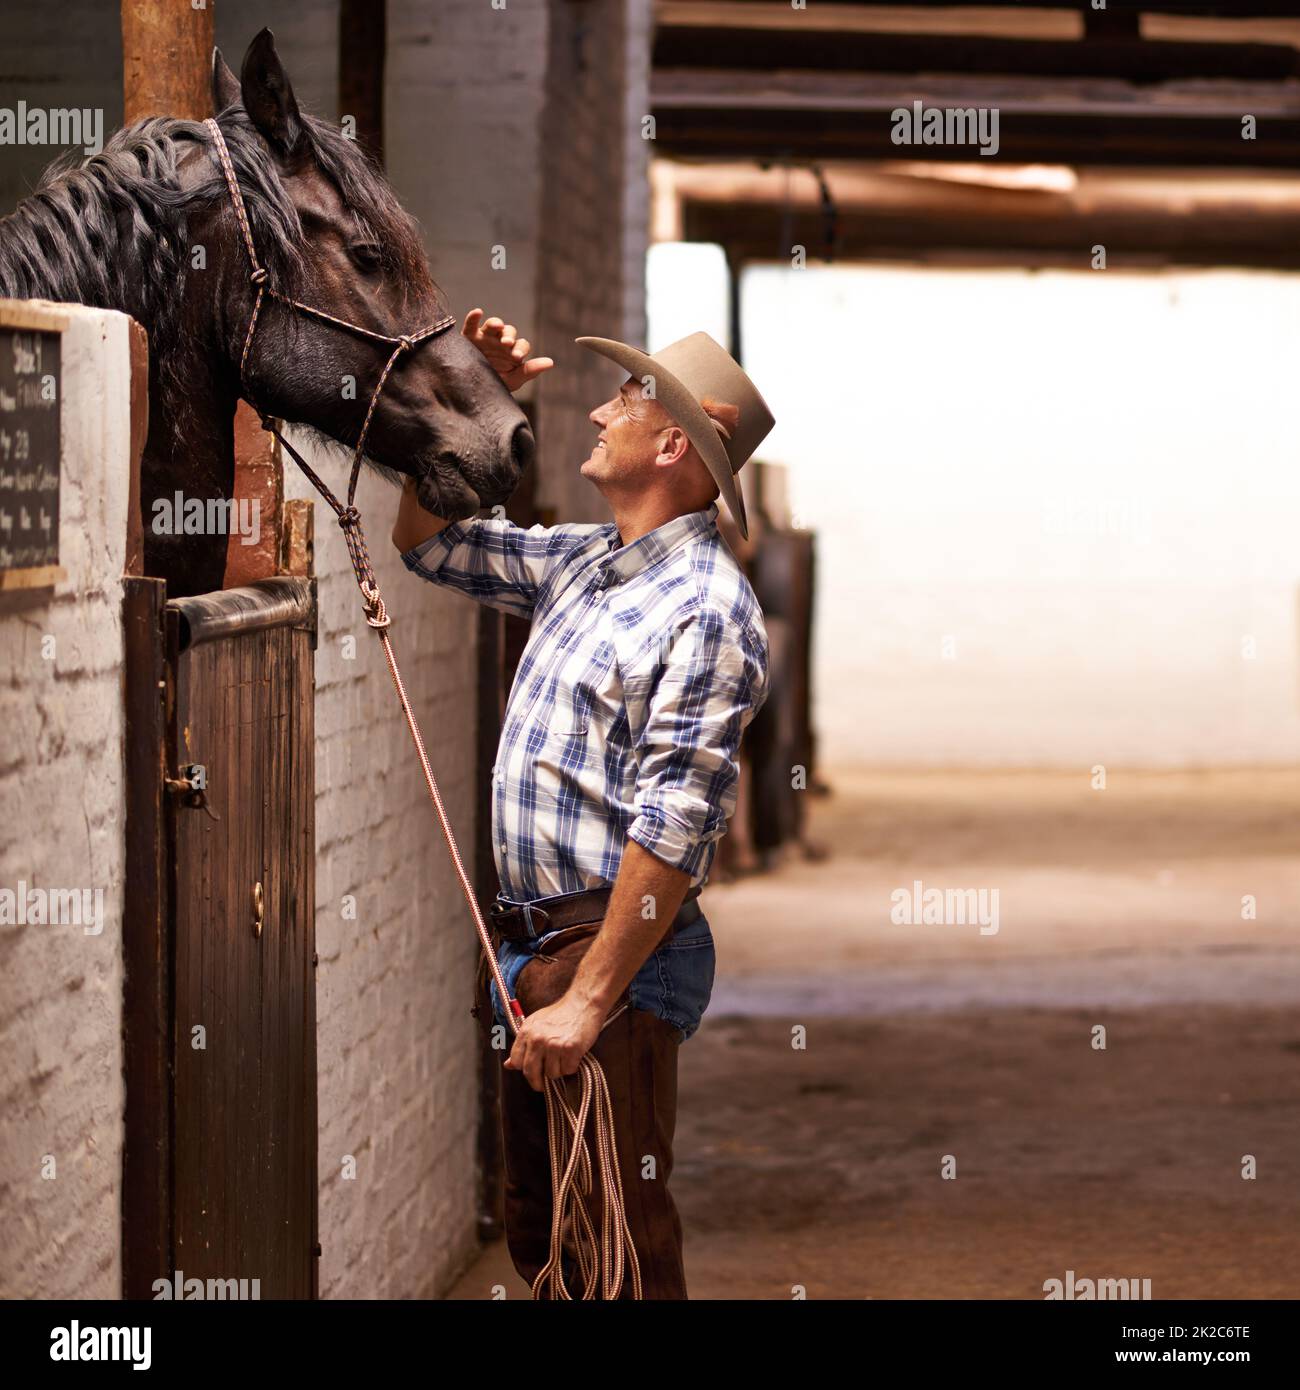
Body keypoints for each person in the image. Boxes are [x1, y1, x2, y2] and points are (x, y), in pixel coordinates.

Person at [391, 308, 774, 1298]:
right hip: (536, 955)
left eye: (628, 400)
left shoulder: (705, 607)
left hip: (609, 963)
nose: (601, 410)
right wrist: (467, 398)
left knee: (621, 1245)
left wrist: (591, 998)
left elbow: (674, 827)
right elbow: (429, 544)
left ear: (673, 443)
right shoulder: (582, 561)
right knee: (551, 1238)